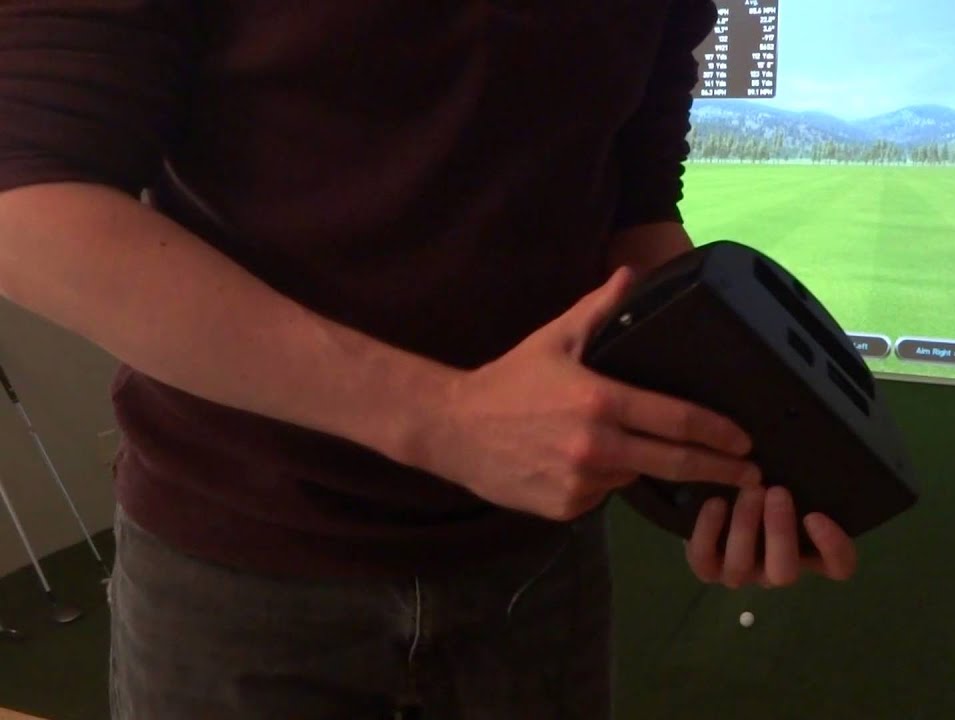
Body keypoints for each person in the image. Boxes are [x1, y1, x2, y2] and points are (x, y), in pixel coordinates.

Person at [0, 1, 857, 718]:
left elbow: (634, 210)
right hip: (239, 559)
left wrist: (731, 448)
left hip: (538, 567)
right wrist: (439, 419)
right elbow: (23, 198)